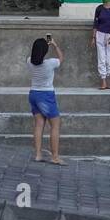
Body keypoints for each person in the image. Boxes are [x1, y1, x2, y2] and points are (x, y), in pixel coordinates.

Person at [27, 36, 65, 164]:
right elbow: (61, 58)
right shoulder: (50, 63)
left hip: (33, 94)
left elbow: (34, 58)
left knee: (39, 124)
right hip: (46, 95)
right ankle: (54, 156)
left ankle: (38, 154)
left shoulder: (28, 61)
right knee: (55, 124)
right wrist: (55, 45)